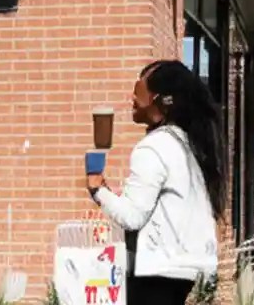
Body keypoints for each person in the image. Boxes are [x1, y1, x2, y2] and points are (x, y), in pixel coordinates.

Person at [87, 59, 223, 305]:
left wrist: (97, 190)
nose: (132, 97)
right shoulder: (189, 143)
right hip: (185, 267)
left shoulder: (154, 146)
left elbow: (132, 217)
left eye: (139, 90)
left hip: (158, 272)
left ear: (161, 100)